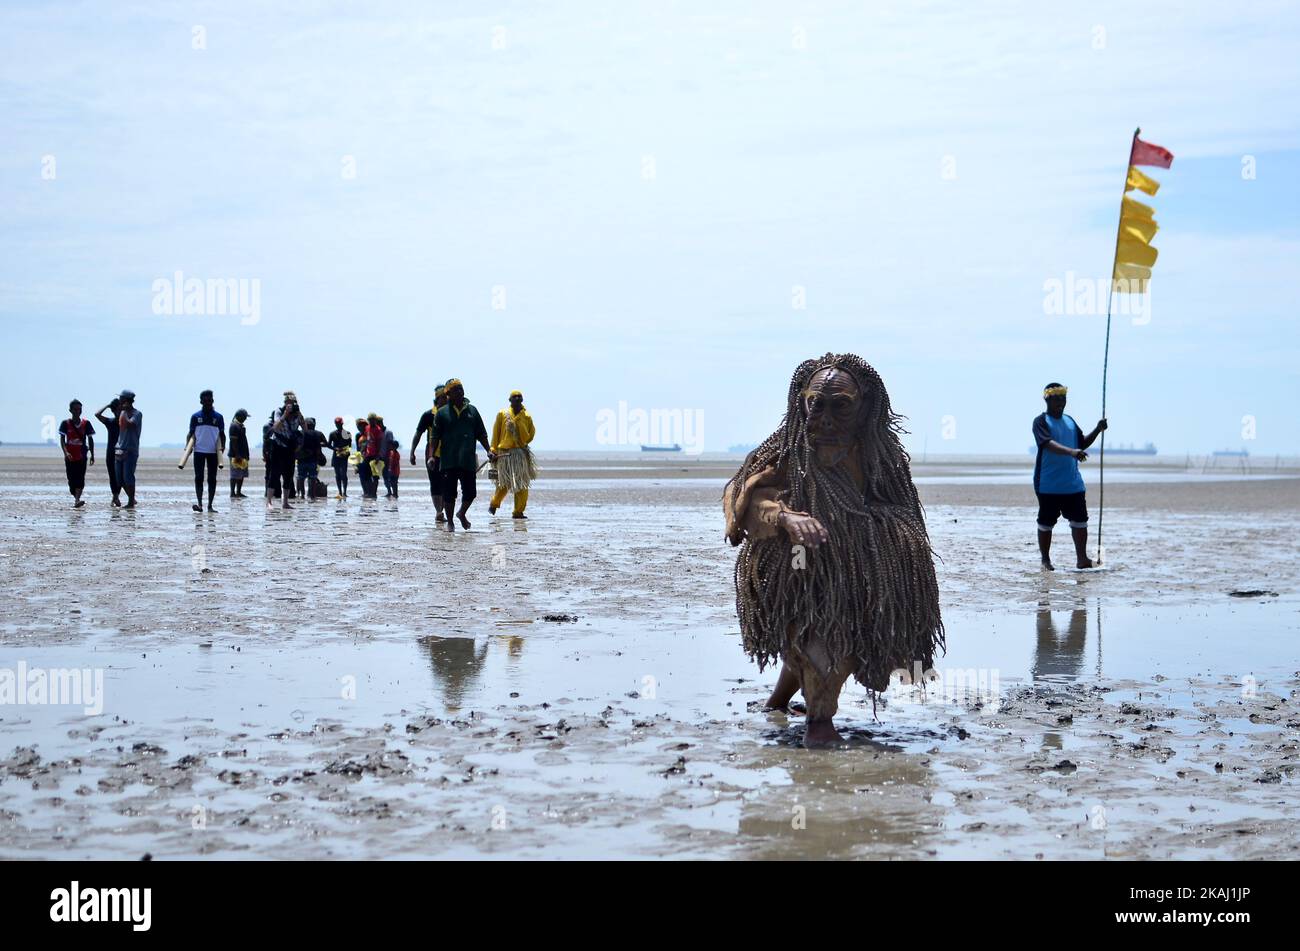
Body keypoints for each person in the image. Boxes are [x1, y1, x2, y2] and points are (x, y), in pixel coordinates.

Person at [723, 354, 943, 747]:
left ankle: (781, 702)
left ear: (863, 409)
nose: (824, 418)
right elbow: (745, 494)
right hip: (797, 569)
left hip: (861, 575)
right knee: (813, 632)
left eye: (840, 406)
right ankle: (818, 727)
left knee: (836, 630)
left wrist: (865, 532)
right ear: (801, 402)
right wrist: (787, 518)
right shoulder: (789, 450)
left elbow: (907, 517)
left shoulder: (881, 458)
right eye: (816, 405)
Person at [1032, 383, 1107, 570]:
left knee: (1080, 520)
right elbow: (1047, 444)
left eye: (1063, 399)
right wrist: (1072, 452)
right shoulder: (1040, 421)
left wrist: (1098, 429)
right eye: (1056, 399)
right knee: (1046, 522)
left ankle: (1082, 559)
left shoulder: (1070, 421)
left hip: (1072, 483)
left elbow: (1082, 443)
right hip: (1048, 484)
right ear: (1047, 400)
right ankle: (1045, 561)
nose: (1061, 402)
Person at [429, 379, 492, 531]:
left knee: (471, 492)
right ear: (448, 394)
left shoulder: (472, 411)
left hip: (467, 460)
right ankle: (450, 521)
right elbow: (434, 437)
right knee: (449, 494)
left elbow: (481, 433)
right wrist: (431, 456)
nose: (460, 391)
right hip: (449, 460)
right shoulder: (442, 413)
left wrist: (489, 450)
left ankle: (461, 513)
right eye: (456, 389)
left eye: (461, 388)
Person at [488, 390, 537, 519]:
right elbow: (496, 434)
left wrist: (520, 428)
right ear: (509, 400)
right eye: (514, 396)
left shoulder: (527, 416)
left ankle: (518, 511)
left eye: (519, 396)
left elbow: (531, 435)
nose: (517, 398)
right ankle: (494, 503)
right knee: (503, 483)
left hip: (519, 454)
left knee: (521, 484)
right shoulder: (502, 414)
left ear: (522, 399)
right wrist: (492, 450)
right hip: (503, 454)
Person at [182, 389, 225, 512]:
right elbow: (190, 434)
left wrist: (223, 447)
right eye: (205, 400)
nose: (207, 402)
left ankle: (210, 505)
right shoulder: (195, 417)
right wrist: (187, 448)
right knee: (198, 477)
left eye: (209, 400)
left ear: (213, 400)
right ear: (201, 401)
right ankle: (200, 504)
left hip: (213, 452)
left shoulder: (218, 417)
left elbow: (222, 435)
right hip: (199, 451)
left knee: (212, 478)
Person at [410, 385, 449, 521]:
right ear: (437, 399)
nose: (445, 400)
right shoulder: (428, 415)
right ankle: (439, 511)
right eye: (442, 398)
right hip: (432, 454)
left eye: (446, 397)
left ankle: (443, 509)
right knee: (435, 483)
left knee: (447, 484)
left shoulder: (452, 414)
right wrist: (412, 452)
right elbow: (418, 434)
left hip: (449, 454)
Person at [265, 394, 301, 510]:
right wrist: (285, 414)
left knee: (288, 475)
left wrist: (299, 415)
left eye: (293, 402)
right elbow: (275, 427)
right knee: (274, 474)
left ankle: (285, 502)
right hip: (278, 446)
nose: (291, 405)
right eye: (289, 402)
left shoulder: (296, 413)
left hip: (290, 448)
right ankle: (269, 501)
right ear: (285, 403)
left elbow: (305, 430)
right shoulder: (279, 411)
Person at [58, 399, 95, 508]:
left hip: (82, 455)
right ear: (70, 410)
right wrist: (66, 453)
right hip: (70, 456)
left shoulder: (86, 423)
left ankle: (77, 499)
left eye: (79, 409)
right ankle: (76, 496)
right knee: (71, 480)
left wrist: (92, 454)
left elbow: (90, 439)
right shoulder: (65, 423)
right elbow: (62, 440)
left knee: (80, 478)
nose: (78, 411)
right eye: (75, 409)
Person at [113, 390, 143, 508]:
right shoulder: (121, 413)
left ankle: (131, 502)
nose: (120, 402)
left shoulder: (137, 413)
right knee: (119, 478)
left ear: (126, 400)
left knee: (128, 476)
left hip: (130, 450)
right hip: (119, 448)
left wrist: (124, 411)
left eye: (121, 399)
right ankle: (126, 498)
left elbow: (130, 424)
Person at [94, 398, 121, 502]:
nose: (119, 412)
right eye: (117, 410)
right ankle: (115, 496)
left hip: (121, 452)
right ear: (113, 411)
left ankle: (116, 495)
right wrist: (108, 405)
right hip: (110, 452)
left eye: (121, 409)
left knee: (120, 476)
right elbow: (97, 414)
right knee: (112, 475)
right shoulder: (110, 422)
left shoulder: (125, 422)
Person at [296, 416, 328, 501]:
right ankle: (312, 496)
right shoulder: (318, 433)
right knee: (313, 478)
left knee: (301, 478)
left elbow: (296, 444)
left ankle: (302, 495)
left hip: (301, 459)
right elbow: (326, 443)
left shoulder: (300, 433)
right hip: (313, 460)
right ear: (313, 425)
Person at [228, 409, 251, 498]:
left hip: (243, 454)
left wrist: (246, 455)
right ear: (239, 416)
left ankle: (238, 492)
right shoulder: (234, 426)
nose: (245, 418)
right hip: (236, 455)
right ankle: (232, 492)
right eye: (244, 416)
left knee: (241, 474)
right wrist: (237, 454)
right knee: (235, 474)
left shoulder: (241, 426)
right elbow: (233, 441)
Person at [364, 413, 387, 499]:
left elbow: (380, 444)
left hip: (376, 455)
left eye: (373, 420)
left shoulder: (378, 430)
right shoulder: (367, 428)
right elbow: (367, 440)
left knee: (375, 476)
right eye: (370, 420)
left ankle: (374, 493)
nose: (371, 422)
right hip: (368, 454)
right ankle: (369, 492)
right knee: (367, 475)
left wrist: (378, 455)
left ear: (375, 420)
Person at [328, 417, 352, 499]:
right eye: (337, 424)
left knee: (344, 474)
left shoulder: (347, 434)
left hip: (344, 457)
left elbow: (350, 446)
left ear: (342, 424)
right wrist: (335, 449)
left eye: (340, 424)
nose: (338, 425)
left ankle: (345, 492)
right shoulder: (332, 434)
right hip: (336, 456)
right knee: (337, 475)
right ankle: (340, 492)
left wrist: (347, 453)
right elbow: (329, 444)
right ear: (335, 424)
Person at [353, 417, 374, 499]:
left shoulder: (369, 434)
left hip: (369, 457)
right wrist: (357, 462)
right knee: (361, 476)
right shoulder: (358, 435)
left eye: (360, 426)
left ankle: (370, 492)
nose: (358, 427)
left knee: (369, 476)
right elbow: (358, 449)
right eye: (358, 426)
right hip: (361, 457)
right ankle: (365, 492)